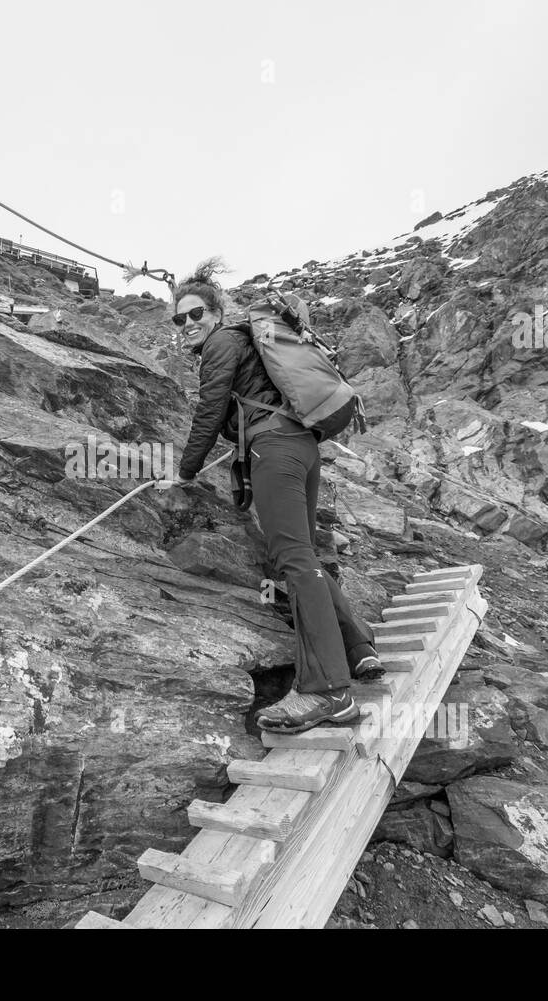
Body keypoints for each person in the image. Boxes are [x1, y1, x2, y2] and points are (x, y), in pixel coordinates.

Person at [166, 259, 380, 733]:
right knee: (306, 556)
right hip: (300, 447)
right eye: (178, 319)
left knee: (293, 562)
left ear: (217, 311)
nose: (187, 325)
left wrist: (185, 471)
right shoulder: (245, 339)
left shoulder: (222, 342)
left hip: (275, 449)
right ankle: (358, 646)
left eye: (195, 314)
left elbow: (210, 407)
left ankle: (328, 692)